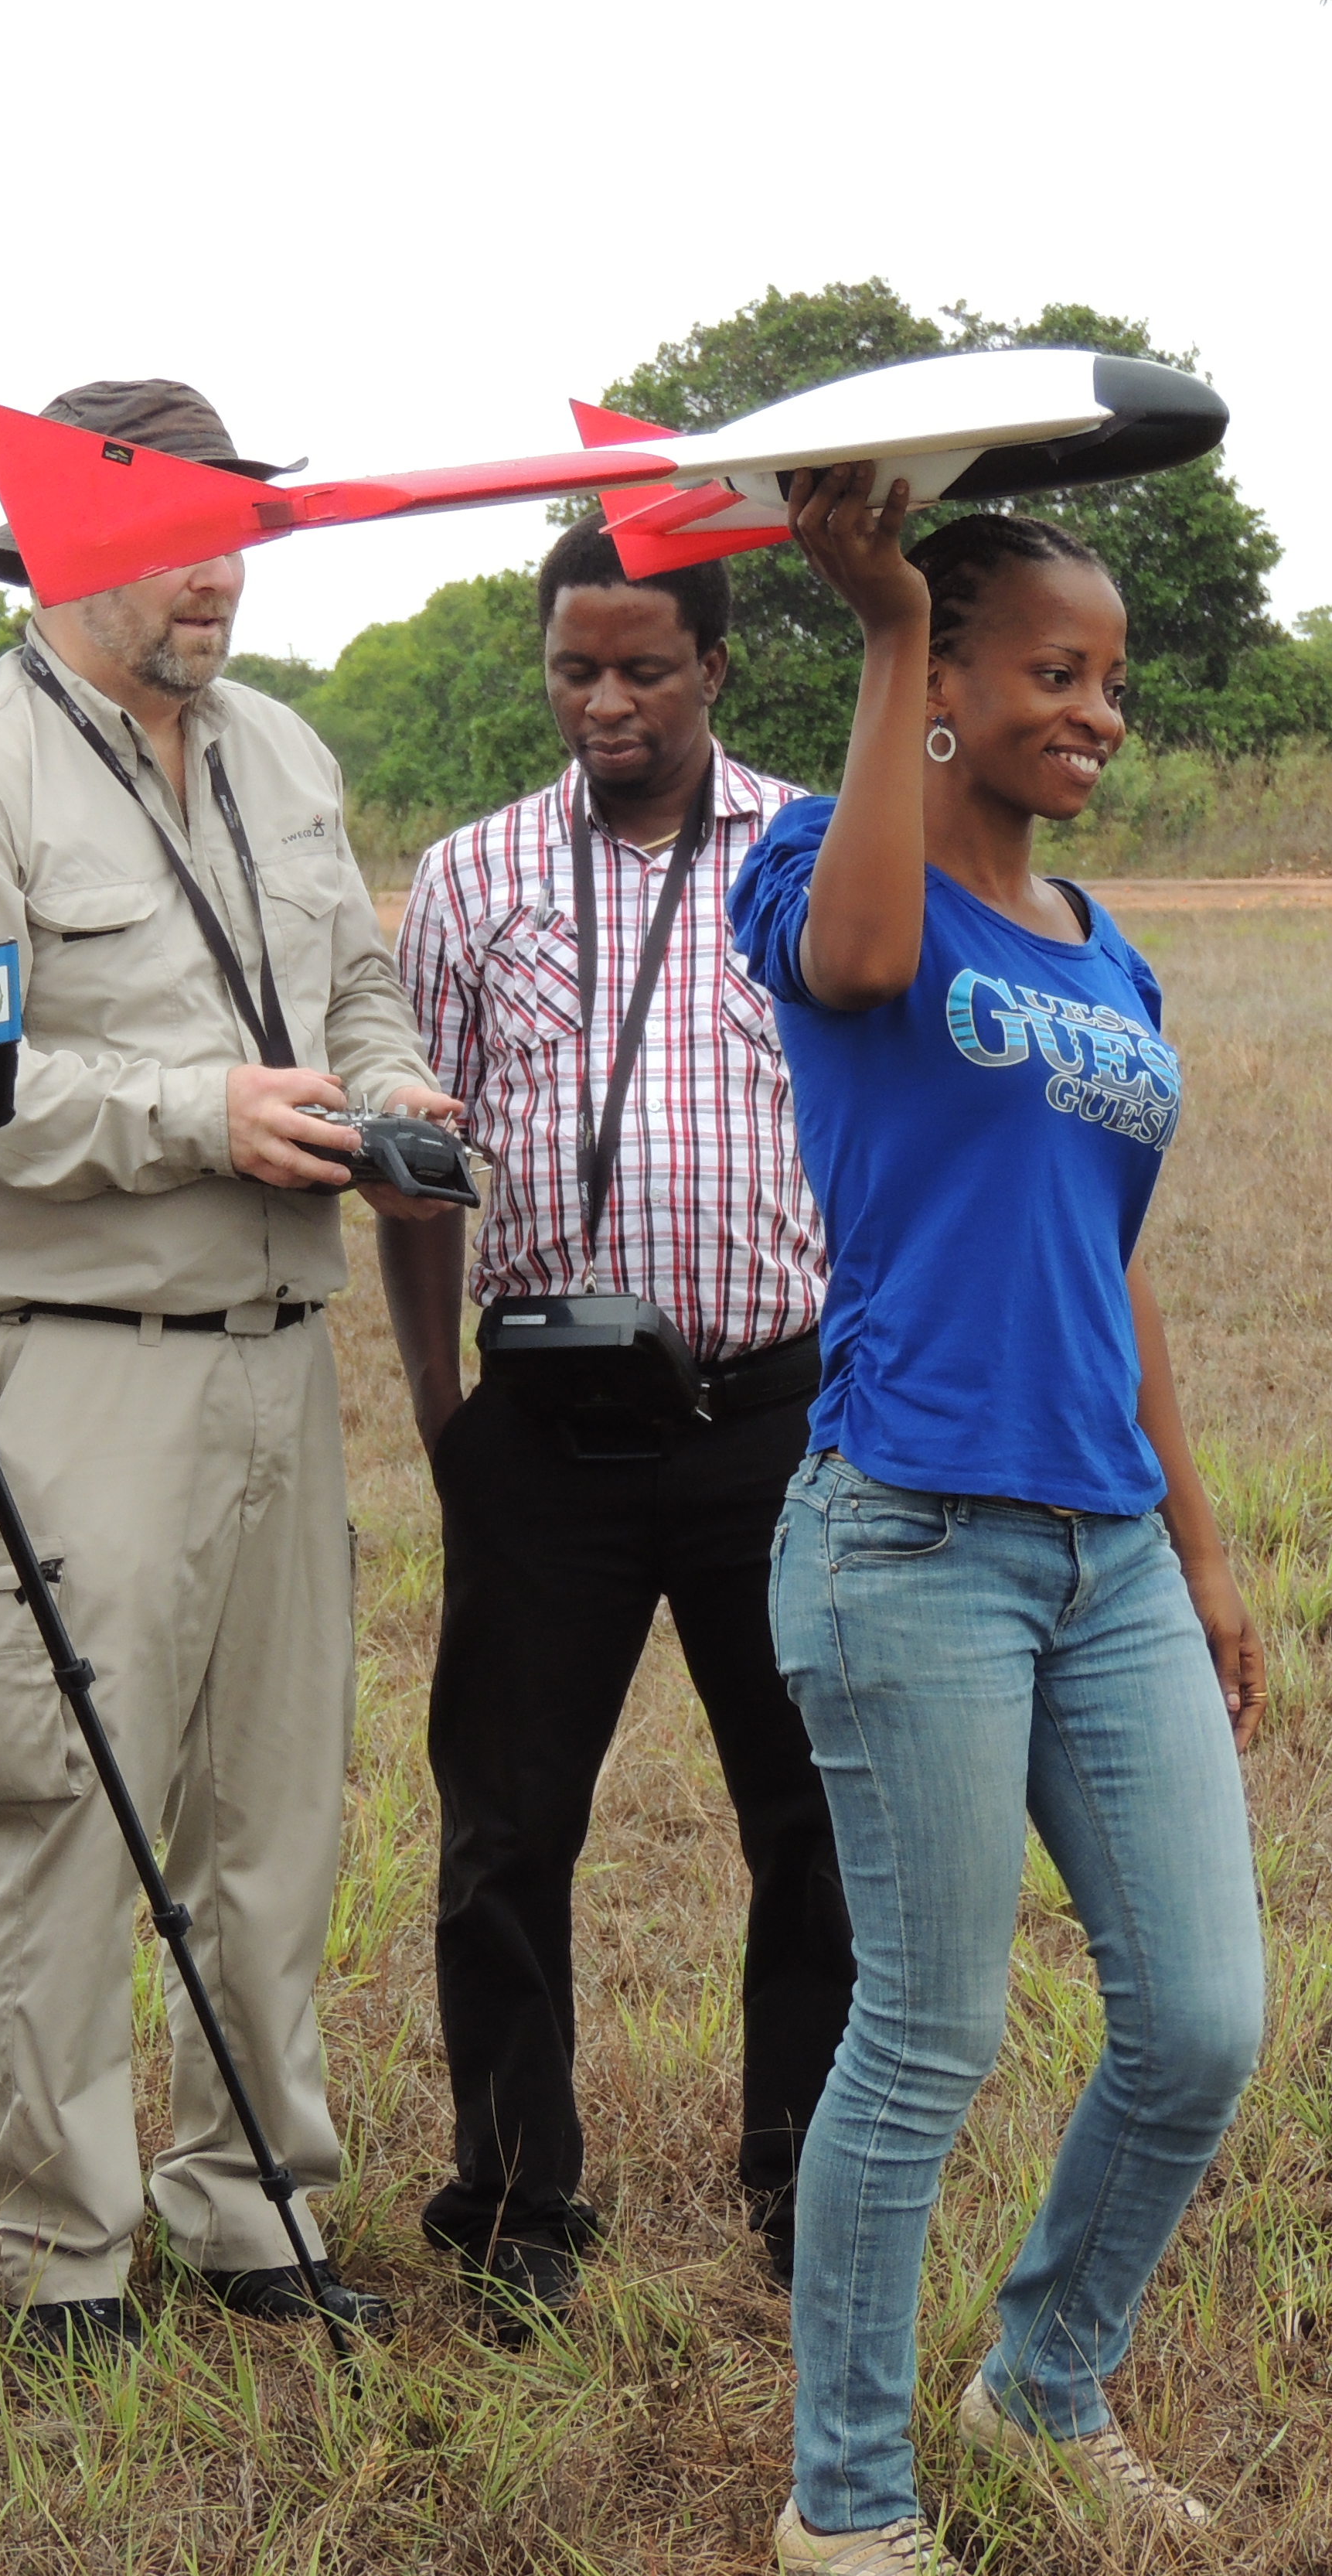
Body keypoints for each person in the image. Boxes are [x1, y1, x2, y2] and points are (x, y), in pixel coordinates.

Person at [0, 377, 460, 2353]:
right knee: (67, 1804)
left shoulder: (282, 751)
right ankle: (67, 2251)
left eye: (235, 536)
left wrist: (389, 1090)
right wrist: (198, 1112)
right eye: (181, 538)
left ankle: (255, 2204)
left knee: (273, 1814)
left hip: (280, 1353)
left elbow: (355, 981)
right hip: (74, 1365)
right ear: (60, 547)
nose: (221, 577)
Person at [725, 476, 1266, 2576]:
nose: (1099, 712)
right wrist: (875, 625)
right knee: (930, 2033)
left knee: (1199, 2019)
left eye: (1113, 679)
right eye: (1055, 670)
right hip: (911, 1541)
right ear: (944, 676)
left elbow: (1110, 1266)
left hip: (1105, 1550)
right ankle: (846, 2500)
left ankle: (1043, 2381)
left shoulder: (1107, 952)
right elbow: (862, 959)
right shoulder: (824, 861)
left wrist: (1200, 1547)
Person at [380, 520, 850, 2330]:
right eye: (575, 669)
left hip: (771, 1419)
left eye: (644, 669)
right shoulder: (471, 875)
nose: (606, 702)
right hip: (541, 1433)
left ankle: (806, 2181)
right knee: (504, 1832)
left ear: (715, 667)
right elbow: (415, 1168)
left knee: (810, 1818)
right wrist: (443, 1414)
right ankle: (514, 2204)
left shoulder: (811, 851)